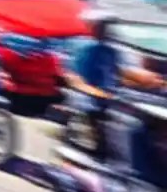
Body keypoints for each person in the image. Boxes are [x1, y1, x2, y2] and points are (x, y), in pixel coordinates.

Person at [62, 10, 164, 161]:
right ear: (91, 26)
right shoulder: (81, 47)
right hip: (89, 102)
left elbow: (119, 74)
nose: (106, 30)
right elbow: (74, 79)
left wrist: (148, 83)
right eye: (102, 26)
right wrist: (100, 94)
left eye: (107, 26)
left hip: (112, 99)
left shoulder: (111, 50)